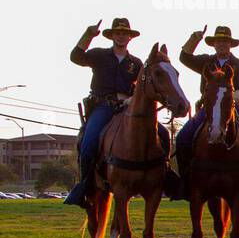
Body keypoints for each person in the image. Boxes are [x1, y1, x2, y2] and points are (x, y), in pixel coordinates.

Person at [65, 17, 179, 207]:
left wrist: (135, 99)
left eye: (125, 33)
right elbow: (76, 57)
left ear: (130, 37)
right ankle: (85, 187)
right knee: (88, 144)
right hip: (103, 107)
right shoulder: (99, 55)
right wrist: (87, 36)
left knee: (163, 133)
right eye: (117, 33)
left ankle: (165, 175)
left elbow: (144, 88)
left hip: (128, 108)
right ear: (111, 36)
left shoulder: (136, 63)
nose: (121, 36)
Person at [175, 25, 239, 202]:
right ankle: (184, 181)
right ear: (214, 44)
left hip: (233, 109)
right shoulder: (206, 62)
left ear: (230, 44)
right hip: (207, 110)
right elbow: (184, 57)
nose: (221, 44)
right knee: (182, 138)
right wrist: (194, 38)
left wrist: (230, 98)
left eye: (225, 41)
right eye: (218, 41)